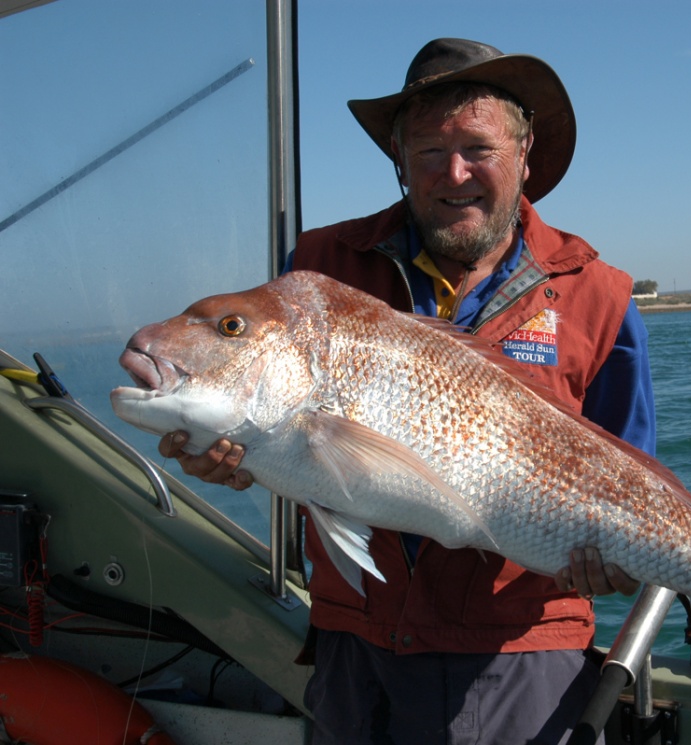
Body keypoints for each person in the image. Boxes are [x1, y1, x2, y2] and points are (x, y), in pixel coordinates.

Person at [160, 38, 656, 744]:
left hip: (519, 658)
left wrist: (616, 561)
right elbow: (282, 429)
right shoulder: (318, 270)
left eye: (478, 148)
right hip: (355, 651)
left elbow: (633, 471)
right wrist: (229, 460)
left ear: (525, 153)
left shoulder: (599, 296)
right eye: (428, 151)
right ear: (398, 160)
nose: (454, 174)